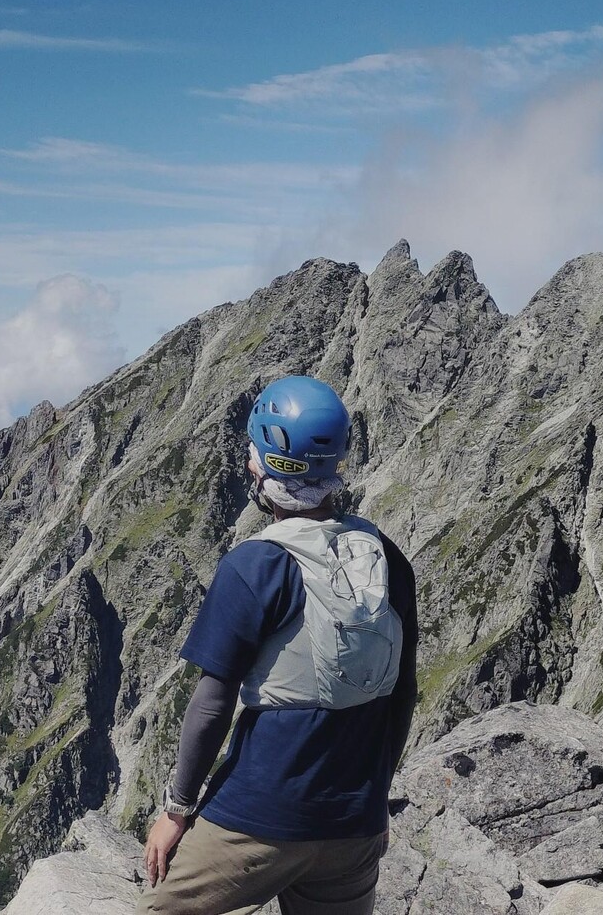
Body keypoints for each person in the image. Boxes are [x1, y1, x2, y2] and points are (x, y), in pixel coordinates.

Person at [138, 374, 419, 915]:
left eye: (253, 451)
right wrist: (373, 801)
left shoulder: (255, 565)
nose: (248, 461)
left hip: (258, 820)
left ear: (268, 466)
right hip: (353, 830)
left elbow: (212, 705)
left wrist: (176, 811)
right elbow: (402, 694)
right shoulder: (387, 559)